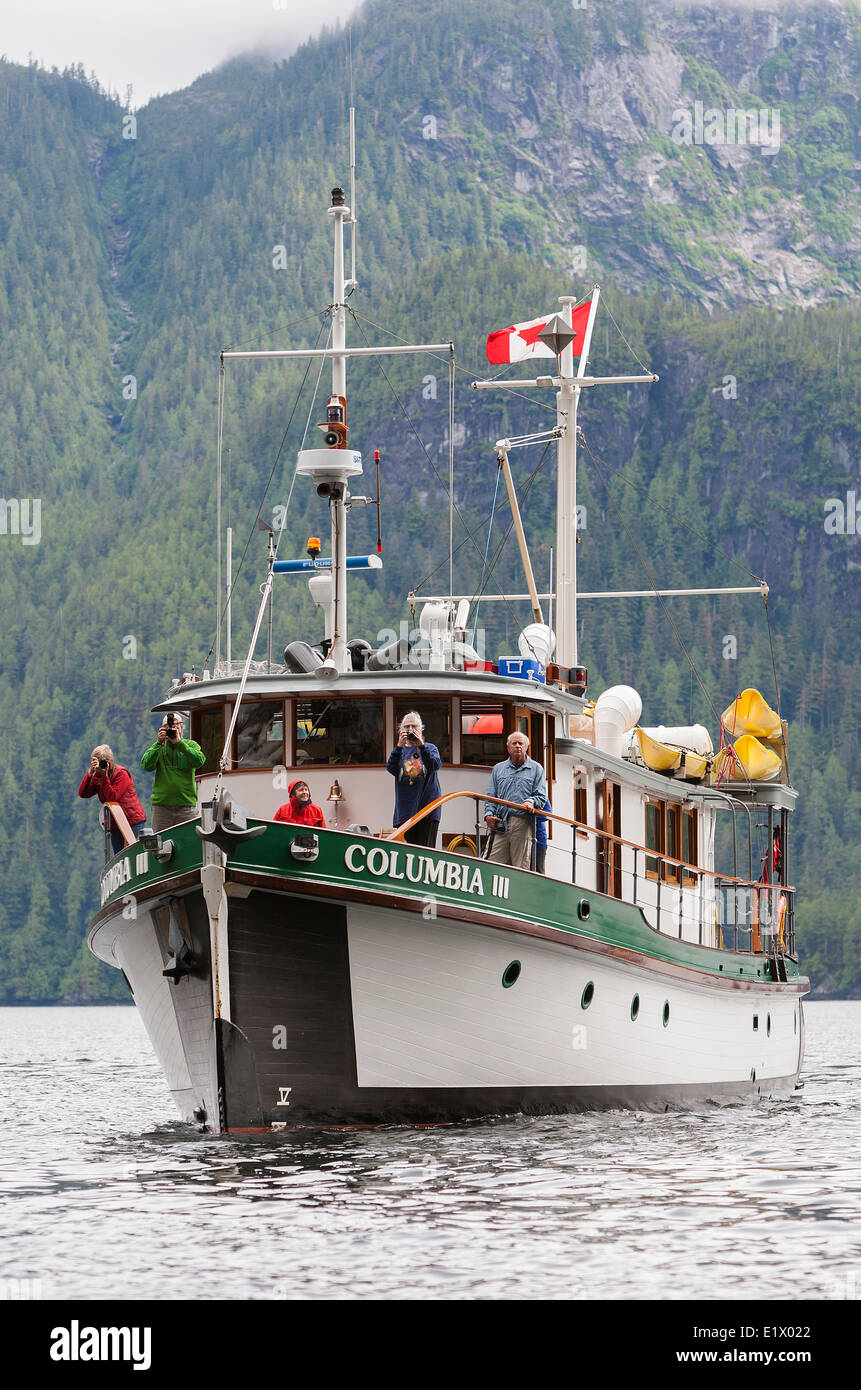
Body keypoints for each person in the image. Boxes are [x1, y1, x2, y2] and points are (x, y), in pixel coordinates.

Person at [484, 732, 547, 869]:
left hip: (522, 822)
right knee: (489, 863)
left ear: (526, 747)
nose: (517, 746)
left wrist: (531, 802)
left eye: (521, 743)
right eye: (514, 743)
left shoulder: (537, 769)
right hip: (500, 822)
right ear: (508, 748)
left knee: (521, 866)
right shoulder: (498, 769)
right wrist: (488, 815)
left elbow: (541, 796)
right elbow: (491, 796)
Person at [140, 715, 206, 832]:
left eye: (175, 726)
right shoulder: (159, 747)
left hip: (186, 807)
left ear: (181, 727)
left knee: (188, 841)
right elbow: (146, 765)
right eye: (167, 727)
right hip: (161, 807)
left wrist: (179, 743)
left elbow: (200, 761)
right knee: (161, 846)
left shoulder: (190, 745)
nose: (171, 730)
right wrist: (158, 743)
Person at [78, 744, 147, 855]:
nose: (101, 765)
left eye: (103, 762)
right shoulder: (98, 775)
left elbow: (113, 797)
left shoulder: (121, 774)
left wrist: (104, 777)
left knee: (133, 855)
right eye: (97, 762)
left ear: (110, 761)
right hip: (114, 822)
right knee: (120, 857)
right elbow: (83, 793)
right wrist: (90, 774)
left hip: (131, 821)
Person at [386, 711, 441, 847]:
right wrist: (399, 746)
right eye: (406, 727)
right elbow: (391, 768)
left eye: (414, 726)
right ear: (400, 730)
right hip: (404, 812)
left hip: (427, 811)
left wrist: (421, 745)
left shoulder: (429, 748)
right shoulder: (399, 752)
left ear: (421, 729)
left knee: (424, 853)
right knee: (405, 854)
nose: (410, 730)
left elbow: (434, 765)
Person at [534, 796, 552, 874]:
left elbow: (547, 813)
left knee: (538, 870)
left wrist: (528, 816)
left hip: (538, 839)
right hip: (519, 837)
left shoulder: (541, 793)